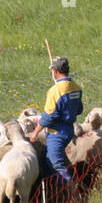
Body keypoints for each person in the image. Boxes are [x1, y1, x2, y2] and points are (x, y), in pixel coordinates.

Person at [30, 56, 83, 185]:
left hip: (56, 132)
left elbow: (50, 116)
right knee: (48, 161)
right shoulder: (76, 87)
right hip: (69, 129)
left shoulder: (55, 91)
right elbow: (79, 109)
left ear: (55, 70)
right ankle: (53, 192)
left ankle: (73, 194)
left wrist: (36, 132)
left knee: (56, 164)